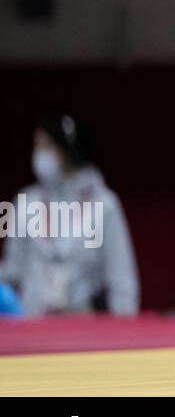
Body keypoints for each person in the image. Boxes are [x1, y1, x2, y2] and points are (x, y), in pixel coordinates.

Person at [0, 114, 139, 317]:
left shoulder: (104, 204)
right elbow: (11, 271)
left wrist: (124, 328)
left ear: (66, 150)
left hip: (83, 323)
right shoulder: (25, 202)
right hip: (31, 321)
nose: (39, 155)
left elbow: (121, 280)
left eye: (46, 146)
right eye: (37, 147)